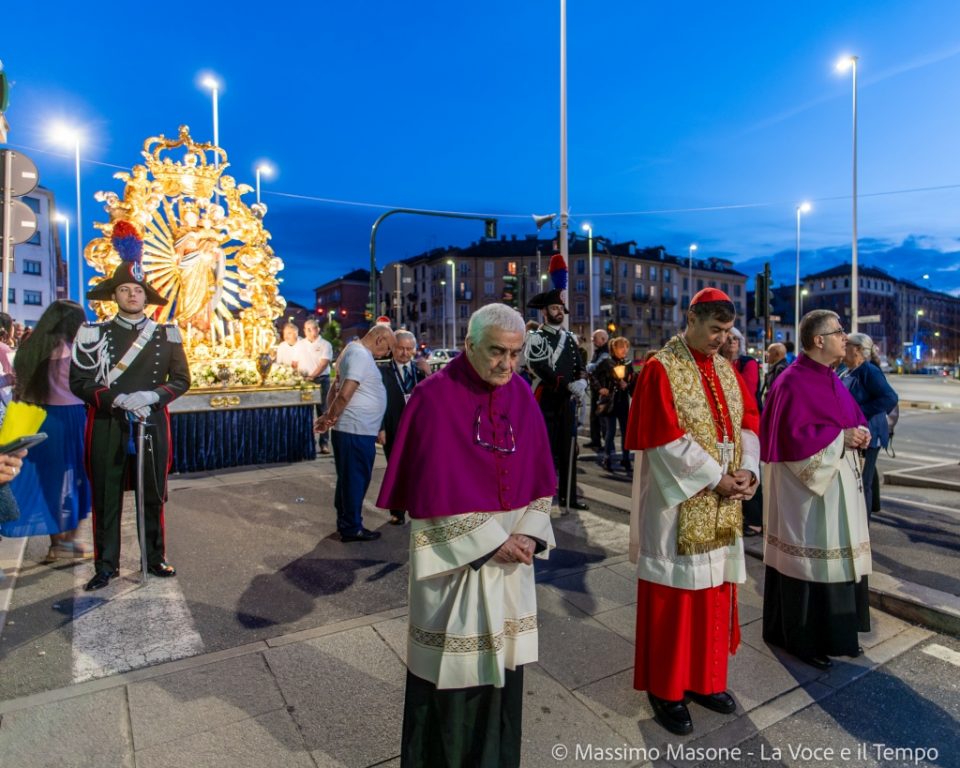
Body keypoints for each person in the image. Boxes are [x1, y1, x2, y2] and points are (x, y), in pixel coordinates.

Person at [376, 303, 556, 768]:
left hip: (512, 565)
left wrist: (531, 536)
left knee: (504, 675)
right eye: (497, 352)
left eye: (515, 355)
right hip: (455, 571)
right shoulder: (433, 398)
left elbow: (541, 480)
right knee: (450, 682)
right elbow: (428, 496)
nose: (508, 365)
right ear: (469, 344)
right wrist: (495, 540)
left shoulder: (520, 393)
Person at [624, 287, 760, 736]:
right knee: (675, 596)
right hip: (676, 503)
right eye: (715, 329)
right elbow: (662, 437)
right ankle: (666, 688)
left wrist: (748, 472)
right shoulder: (662, 367)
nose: (722, 339)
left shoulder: (726, 369)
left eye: (727, 331)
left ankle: (705, 679)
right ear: (691, 318)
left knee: (715, 591)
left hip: (723, 501)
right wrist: (714, 478)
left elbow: (748, 423)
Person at [70, 221, 191, 591]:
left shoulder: (167, 333)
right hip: (109, 421)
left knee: (152, 494)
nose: (132, 295)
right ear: (115, 295)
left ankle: (154, 558)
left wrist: (152, 396)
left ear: (145, 295)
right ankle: (106, 565)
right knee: (106, 495)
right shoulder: (95, 333)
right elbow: (79, 382)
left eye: (137, 290)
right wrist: (117, 398)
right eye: (124, 289)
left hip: (151, 421)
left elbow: (182, 380)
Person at [761, 310, 872, 670]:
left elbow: (847, 417)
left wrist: (860, 432)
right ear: (818, 340)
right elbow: (793, 438)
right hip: (807, 494)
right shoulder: (793, 381)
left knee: (836, 560)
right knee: (810, 562)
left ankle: (838, 634)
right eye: (839, 331)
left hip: (836, 486)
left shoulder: (830, 377)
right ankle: (804, 639)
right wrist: (843, 438)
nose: (846, 337)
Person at [1, 301, 93, 562]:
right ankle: (69, 541)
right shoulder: (75, 350)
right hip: (71, 419)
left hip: (37, 420)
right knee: (78, 480)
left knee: (49, 482)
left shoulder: (30, 348)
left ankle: (56, 544)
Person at [316, 324, 395, 542]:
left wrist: (328, 416)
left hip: (354, 429)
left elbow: (335, 387)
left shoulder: (351, 350)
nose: (387, 354)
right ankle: (351, 527)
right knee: (355, 480)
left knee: (349, 479)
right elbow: (344, 392)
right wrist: (329, 417)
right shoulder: (360, 354)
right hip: (356, 430)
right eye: (388, 348)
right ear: (379, 339)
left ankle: (346, 523)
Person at [524, 289, 589, 511]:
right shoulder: (536, 338)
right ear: (544, 311)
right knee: (545, 451)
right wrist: (566, 384)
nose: (559, 312)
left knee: (568, 450)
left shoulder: (569, 338)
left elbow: (580, 365)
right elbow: (540, 367)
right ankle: (540, 499)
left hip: (567, 401)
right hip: (547, 400)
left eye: (561, 309)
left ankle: (568, 497)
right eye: (554, 308)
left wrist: (582, 381)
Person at [840, 332, 898, 518]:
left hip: (868, 435)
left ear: (857, 349)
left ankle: (862, 527)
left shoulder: (869, 371)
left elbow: (890, 398)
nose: (843, 345)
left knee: (862, 484)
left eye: (846, 344)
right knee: (858, 480)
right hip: (854, 433)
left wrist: (860, 412)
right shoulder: (846, 371)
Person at [378, 330, 428, 525]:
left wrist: (428, 373)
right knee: (396, 469)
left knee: (419, 469)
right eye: (401, 348)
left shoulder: (420, 371)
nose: (405, 353)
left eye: (409, 349)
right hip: (393, 427)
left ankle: (418, 507)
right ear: (393, 348)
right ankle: (397, 512)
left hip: (418, 430)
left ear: (415, 350)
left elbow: (436, 397)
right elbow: (377, 402)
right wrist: (380, 427)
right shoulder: (382, 372)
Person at [595, 336, 635, 473]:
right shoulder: (607, 362)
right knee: (610, 432)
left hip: (623, 401)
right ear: (614, 348)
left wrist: (627, 385)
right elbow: (593, 375)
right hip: (610, 401)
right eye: (621, 347)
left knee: (626, 432)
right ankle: (608, 458)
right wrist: (601, 388)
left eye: (626, 347)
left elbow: (632, 382)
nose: (624, 350)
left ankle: (626, 458)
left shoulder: (628, 363)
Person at [302, 318, 334, 455]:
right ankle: (308, 443)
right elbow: (295, 362)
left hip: (321, 380)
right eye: (307, 329)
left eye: (312, 328)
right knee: (306, 413)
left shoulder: (325, 344)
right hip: (304, 382)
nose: (309, 331)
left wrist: (312, 376)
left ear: (318, 329)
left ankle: (324, 443)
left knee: (323, 411)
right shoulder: (300, 344)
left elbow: (324, 363)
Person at [721, 328, 760, 408]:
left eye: (735, 338)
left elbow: (746, 391)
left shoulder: (749, 363)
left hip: (746, 411)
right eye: (727, 338)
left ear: (739, 343)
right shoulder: (714, 362)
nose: (732, 341)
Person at [586, 329, 610, 449]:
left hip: (602, 388)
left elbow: (593, 367)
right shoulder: (600, 351)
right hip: (597, 387)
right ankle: (595, 440)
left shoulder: (605, 353)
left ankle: (606, 444)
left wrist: (588, 367)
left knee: (602, 416)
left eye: (594, 339)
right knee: (594, 416)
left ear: (603, 339)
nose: (593, 341)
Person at [760, 342, 788, 407]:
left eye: (769, 352)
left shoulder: (780, 369)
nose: (766, 354)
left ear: (777, 354)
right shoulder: (780, 367)